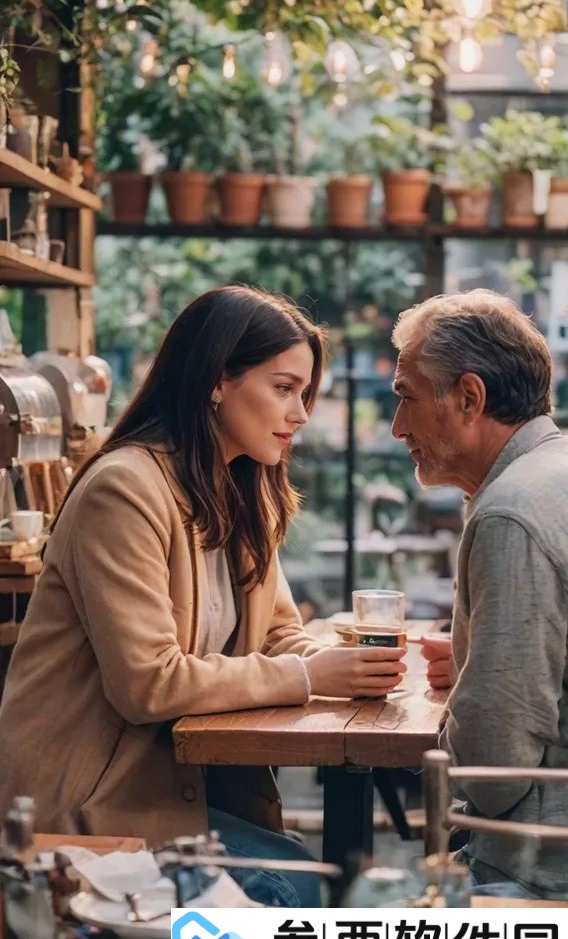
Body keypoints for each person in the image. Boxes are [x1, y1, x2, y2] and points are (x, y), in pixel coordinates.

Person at [0, 286, 405, 907]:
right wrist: (307, 673)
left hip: (183, 788)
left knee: (309, 874)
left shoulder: (243, 489)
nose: (299, 414)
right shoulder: (126, 490)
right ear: (218, 381)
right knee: (294, 885)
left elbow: (277, 635)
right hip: (88, 804)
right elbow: (148, 684)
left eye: (305, 394)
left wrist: (355, 668)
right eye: (283, 388)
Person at [390, 288, 568, 899]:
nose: (395, 428)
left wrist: (472, 691)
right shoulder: (552, 475)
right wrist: (472, 660)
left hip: (535, 875)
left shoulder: (511, 512)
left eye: (406, 398)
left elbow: (496, 758)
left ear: (469, 398)